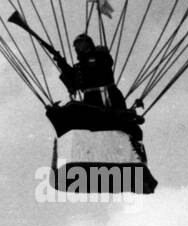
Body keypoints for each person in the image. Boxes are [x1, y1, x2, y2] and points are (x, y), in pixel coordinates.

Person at [50, 33, 147, 161]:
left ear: (88, 44)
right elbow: (75, 83)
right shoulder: (81, 65)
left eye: (80, 45)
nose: (78, 48)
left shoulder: (98, 57)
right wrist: (61, 63)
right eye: (76, 47)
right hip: (90, 98)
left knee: (112, 119)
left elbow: (98, 65)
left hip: (107, 95)